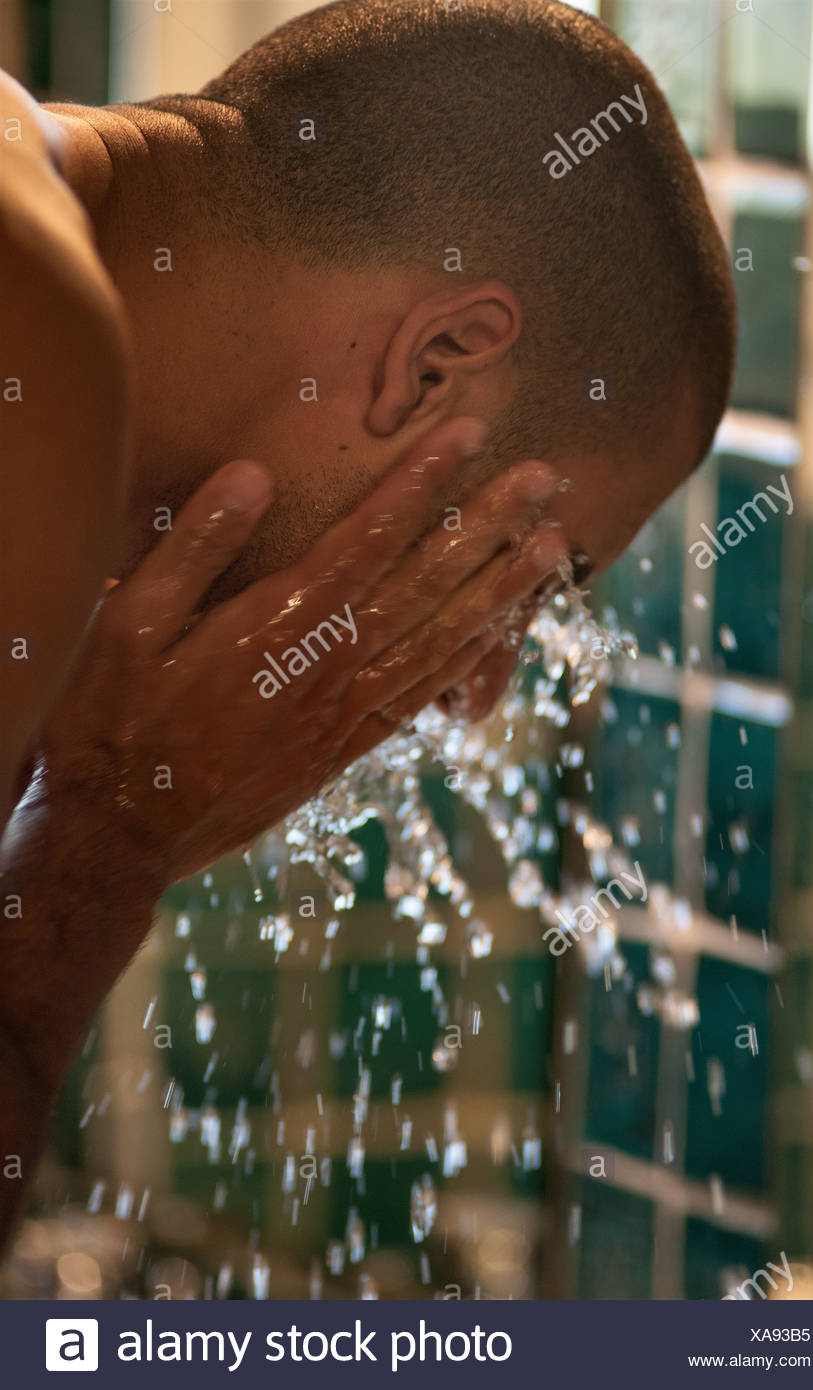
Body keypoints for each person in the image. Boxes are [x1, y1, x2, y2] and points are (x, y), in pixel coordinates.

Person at [0, 0, 735, 1250]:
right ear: (436, 361)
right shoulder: (35, 334)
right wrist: (100, 843)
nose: (474, 678)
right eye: (522, 567)